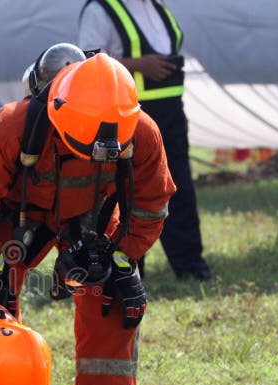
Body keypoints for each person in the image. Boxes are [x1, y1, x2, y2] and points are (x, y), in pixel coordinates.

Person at [0, 50, 176, 385]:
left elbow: (151, 205)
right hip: (18, 217)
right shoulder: (13, 128)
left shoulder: (141, 133)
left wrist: (122, 258)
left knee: (113, 301)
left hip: (94, 218)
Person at [79, 0, 212, 281]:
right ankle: (127, 269)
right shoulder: (100, 10)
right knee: (126, 193)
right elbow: (88, 64)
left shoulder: (158, 6)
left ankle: (190, 267)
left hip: (170, 115)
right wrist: (138, 65)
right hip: (128, 119)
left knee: (179, 190)